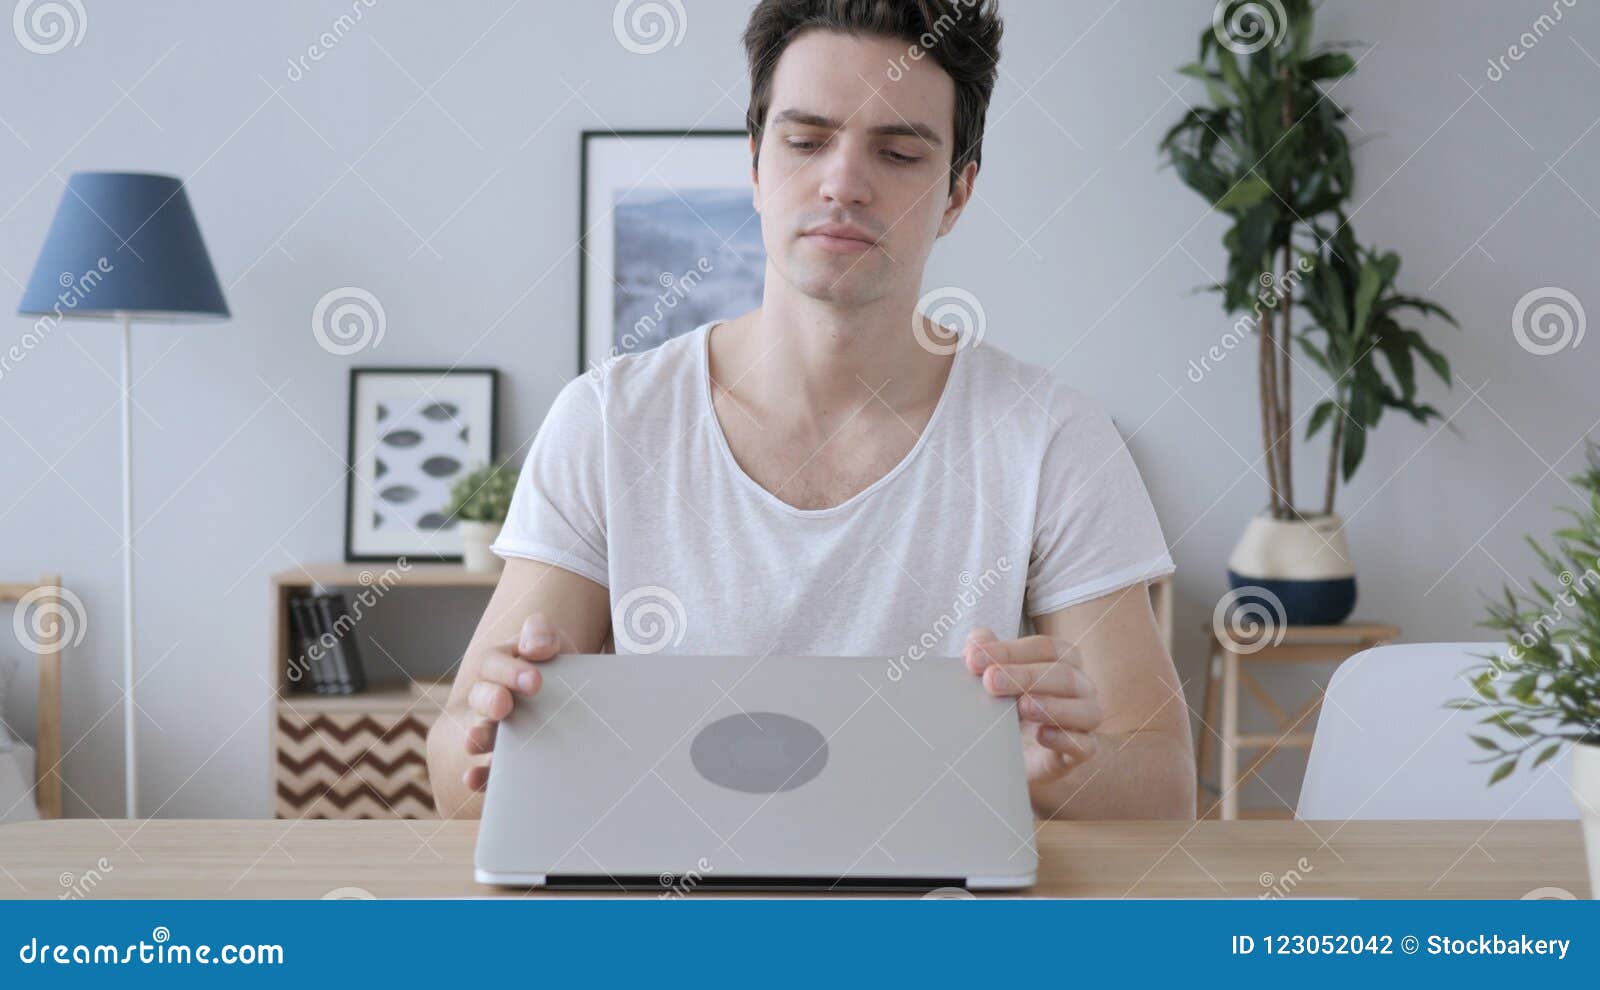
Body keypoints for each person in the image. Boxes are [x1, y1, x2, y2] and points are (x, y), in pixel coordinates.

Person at [427, 0, 1195, 821]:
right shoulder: (609, 422)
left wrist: (1054, 770)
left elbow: (1166, 791)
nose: (844, 184)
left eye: (899, 153)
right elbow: (453, 776)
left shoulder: (1053, 439)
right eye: (804, 142)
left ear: (957, 194)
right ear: (756, 165)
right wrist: (498, 732)